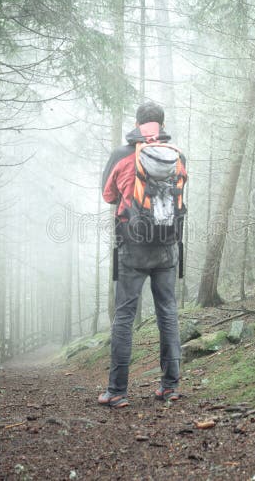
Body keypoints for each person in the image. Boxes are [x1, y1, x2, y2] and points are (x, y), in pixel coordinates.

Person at [99, 102, 186, 408]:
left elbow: (108, 195)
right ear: (161, 125)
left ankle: (117, 391)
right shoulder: (177, 157)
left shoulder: (122, 155)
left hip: (132, 246)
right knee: (168, 312)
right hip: (167, 246)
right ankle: (170, 386)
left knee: (124, 315)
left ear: (137, 124)